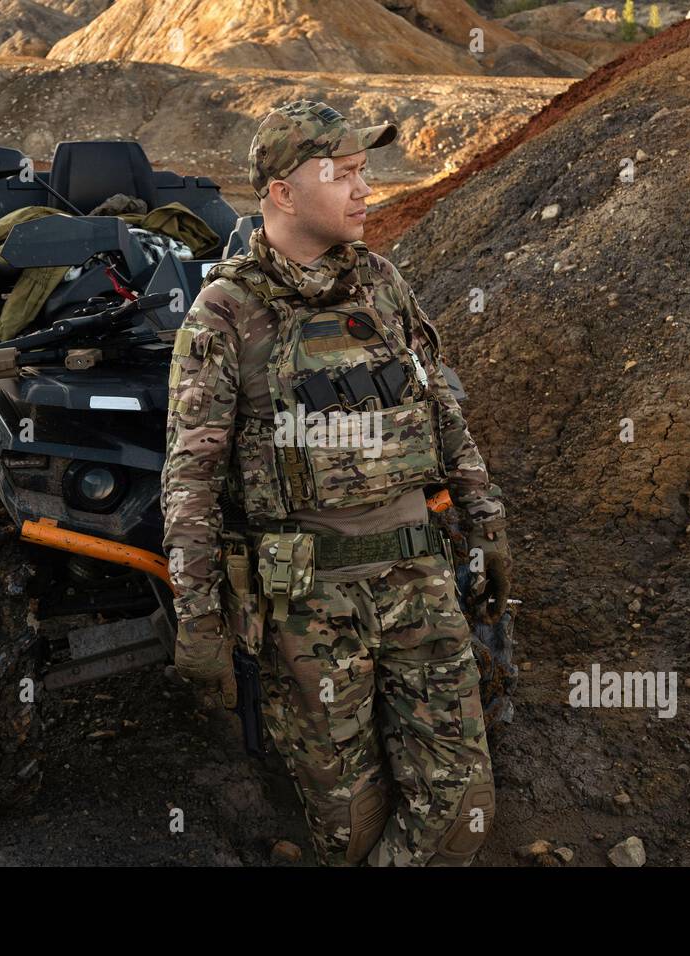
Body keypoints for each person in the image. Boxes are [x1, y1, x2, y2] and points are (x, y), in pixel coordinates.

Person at [161, 100, 511, 866]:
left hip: (418, 577)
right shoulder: (226, 312)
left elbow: (440, 411)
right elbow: (190, 476)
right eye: (344, 174)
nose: (365, 191)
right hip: (308, 606)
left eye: (364, 173)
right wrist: (199, 619)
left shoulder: (382, 285)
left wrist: (485, 524)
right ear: (283, 191)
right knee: (348, 824)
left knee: (461, 810)